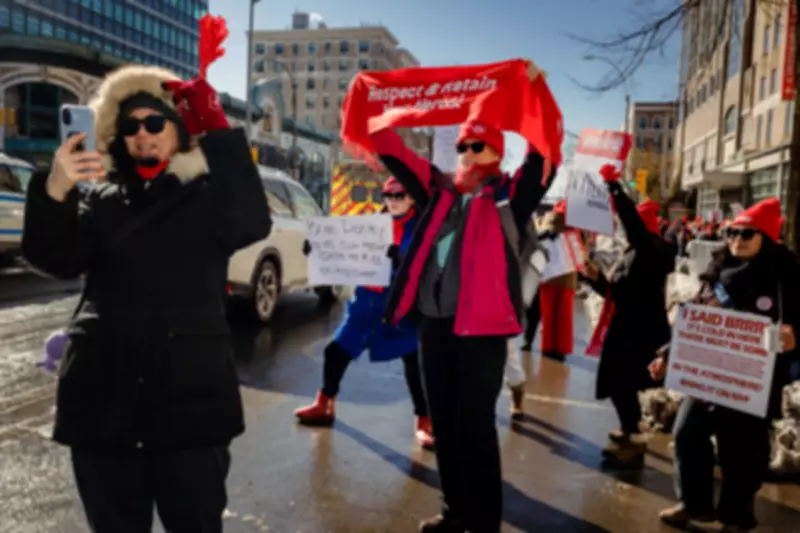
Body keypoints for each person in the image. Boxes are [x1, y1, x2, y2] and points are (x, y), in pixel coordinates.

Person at [21, 64, 272, 533]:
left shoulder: (209, 198)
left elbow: (251, 221)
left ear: (178, 133)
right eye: (131, 126)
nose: (143, 134)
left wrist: (217, 125)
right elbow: (54, 258)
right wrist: (55, 188)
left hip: (191, 412)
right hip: (103, 409)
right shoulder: (99, 201)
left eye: (156, 123)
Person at [369, 69, 556, 533]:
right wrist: (370, 104)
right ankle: (456, 513)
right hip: (434, 328)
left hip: (483, 334)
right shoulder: (437, 191)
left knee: (474, 429)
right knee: (446, 427)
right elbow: (392, 152)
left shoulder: (511, 195)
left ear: (496, 151)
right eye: (463, 147)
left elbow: (545, 150)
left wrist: (536, 90)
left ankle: (484, 522)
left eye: (479, 146)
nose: (468, 155)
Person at [652, 197, 800, 533]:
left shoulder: (784, 277)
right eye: (732, 232)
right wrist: (667, 354)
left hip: (752, 383)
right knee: (687, 434)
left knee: (742, 454)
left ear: (766, 236)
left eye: (747, 233)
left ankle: (736, 518)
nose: (737, 239)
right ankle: (693, 505)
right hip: (707, 377)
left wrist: (794, 337)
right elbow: (696, 324)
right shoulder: (716, 272)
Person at [294, 177, 434, 450]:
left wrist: (402, 260)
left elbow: (428, 265)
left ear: (412, 197)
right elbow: (342, 250)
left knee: (414, 364)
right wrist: (316, 249)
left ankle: (424, 420)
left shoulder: (422, 228)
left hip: (400, 309)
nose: (393, 200)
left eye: (400, 194)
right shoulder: (369, 226)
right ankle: (325, 403)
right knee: (335, 353)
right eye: (388, 195)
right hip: (365, 306)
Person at [582, 164, 674, 467]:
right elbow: (616, 292)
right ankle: (628, 429)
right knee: (618, 384)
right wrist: (591, 277)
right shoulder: (635, 251)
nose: (622, 229)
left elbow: (631, 221)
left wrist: (614, 187)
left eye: (628, 225)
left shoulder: (651, 248)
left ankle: (633, 439)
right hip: (626, 328)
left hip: (639, 332)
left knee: (621, 384)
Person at [537, 199, 578, 362]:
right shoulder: (574, 226)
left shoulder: (545, 221)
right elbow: (581, 252)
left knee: (547, 314)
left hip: (547, 276)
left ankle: (546, 346)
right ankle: (560, 348)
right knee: (563, 316)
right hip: (567, 277)